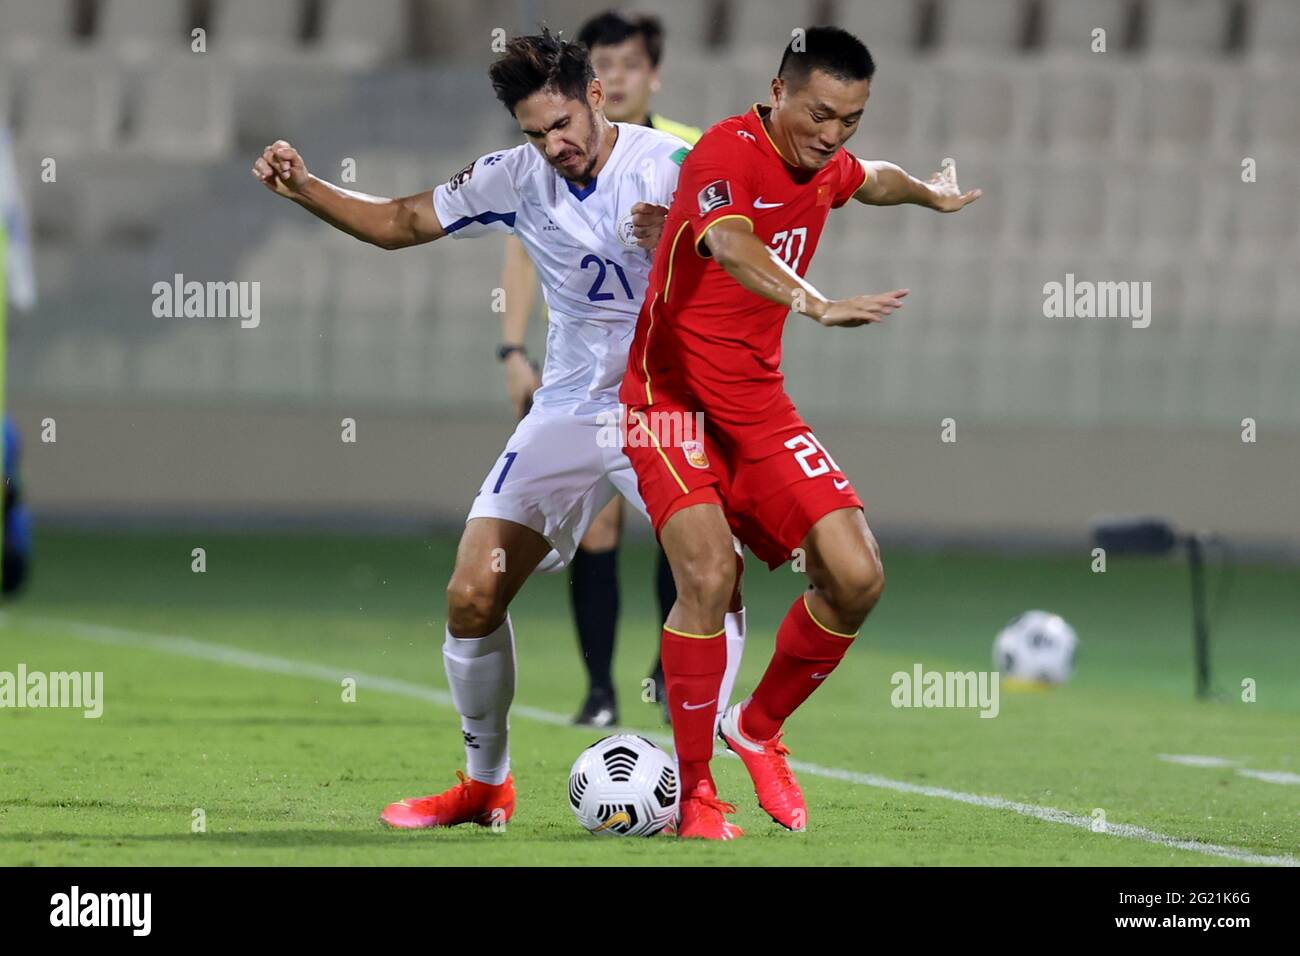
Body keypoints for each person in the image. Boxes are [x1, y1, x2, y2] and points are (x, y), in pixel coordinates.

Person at [252, 29, 738, 830]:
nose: (554, 146)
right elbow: (401, 221)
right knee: (472, 596)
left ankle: (701, 789)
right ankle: (486, 785)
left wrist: (690, 244)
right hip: (571, 409)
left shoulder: (673, 168)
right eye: (534, 133)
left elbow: (750, 257)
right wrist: (306, 187)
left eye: (562, 126)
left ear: (598, 97)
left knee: (712, 579)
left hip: (664, 404)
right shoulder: (515, 178)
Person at [619, 26, 982, 839]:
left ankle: (757, 727)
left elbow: (870, 179)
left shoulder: (825, 163)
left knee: (856, 576)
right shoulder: (725, 152)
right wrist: (814, 302)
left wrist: (929, 192)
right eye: (821, 113)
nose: (833, 135)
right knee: (709, 575)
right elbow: (732, 241)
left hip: (757, 405)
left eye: (850, 119)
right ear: (778, 90)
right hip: (668, 401)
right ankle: (694, 795)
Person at [496, 10, 725, 729]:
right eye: (606, 64)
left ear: (650, 75)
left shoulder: (683, 151)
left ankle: (669, 672)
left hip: (672, 377)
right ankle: (599, 689)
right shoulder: (548, 156)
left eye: (630, 65)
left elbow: (732, 246)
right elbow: (520, 254)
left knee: (678, 527)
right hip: (583, 381)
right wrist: (512, 350)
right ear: (587, 79)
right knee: (596, 529)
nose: (617, 77)